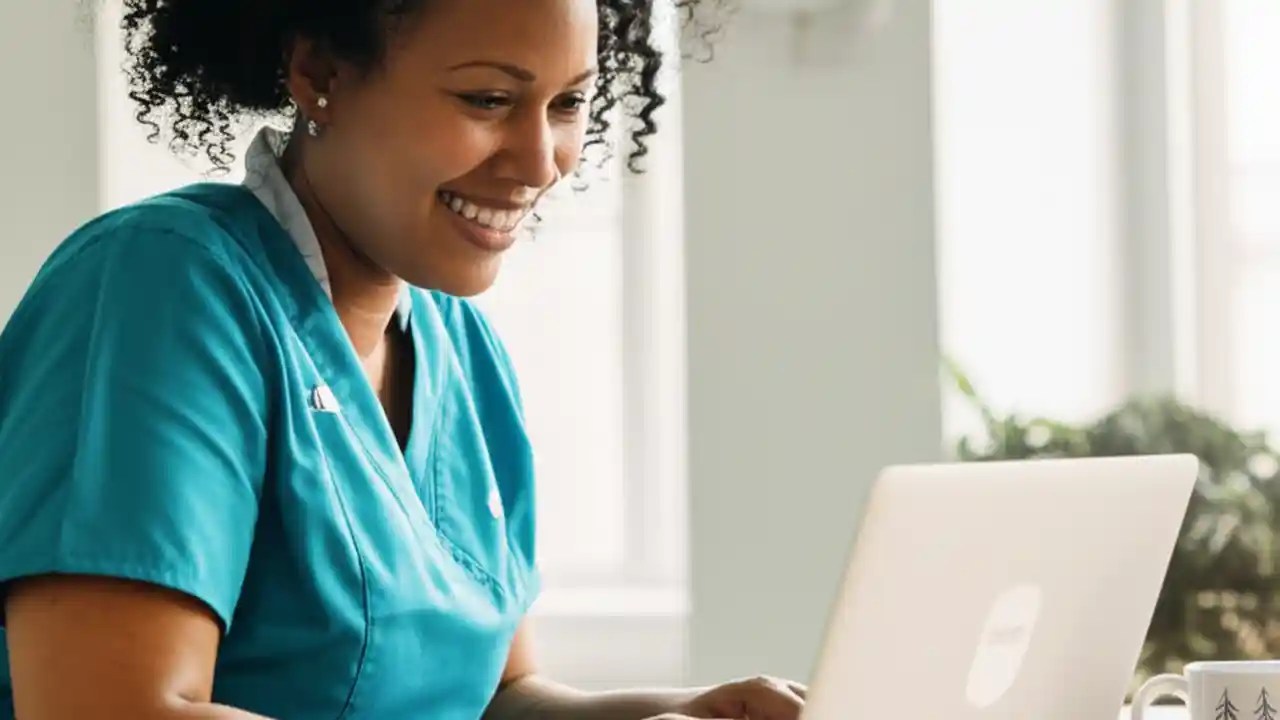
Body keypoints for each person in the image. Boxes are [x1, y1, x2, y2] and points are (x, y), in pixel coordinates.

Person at [0, 0, 809, 718]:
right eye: (488, 100)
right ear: (320, 73)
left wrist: (689, 712)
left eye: (567, 104)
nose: (542, 161)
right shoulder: (161, 286)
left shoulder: (458, 343)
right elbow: (111, 710)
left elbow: (499, 698)